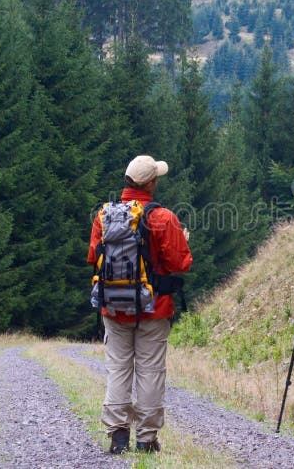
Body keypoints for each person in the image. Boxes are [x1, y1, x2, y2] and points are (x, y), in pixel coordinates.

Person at [87, 155, 192, 454]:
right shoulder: (163, 217)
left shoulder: (103, 215)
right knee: (149, 371)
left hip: (114, 307)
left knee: (118, 369)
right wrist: (182, 240)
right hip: (153, 308)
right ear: (151, 182)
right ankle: (146, 439)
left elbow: (93, 257)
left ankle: (118, 436)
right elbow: (181, 263)